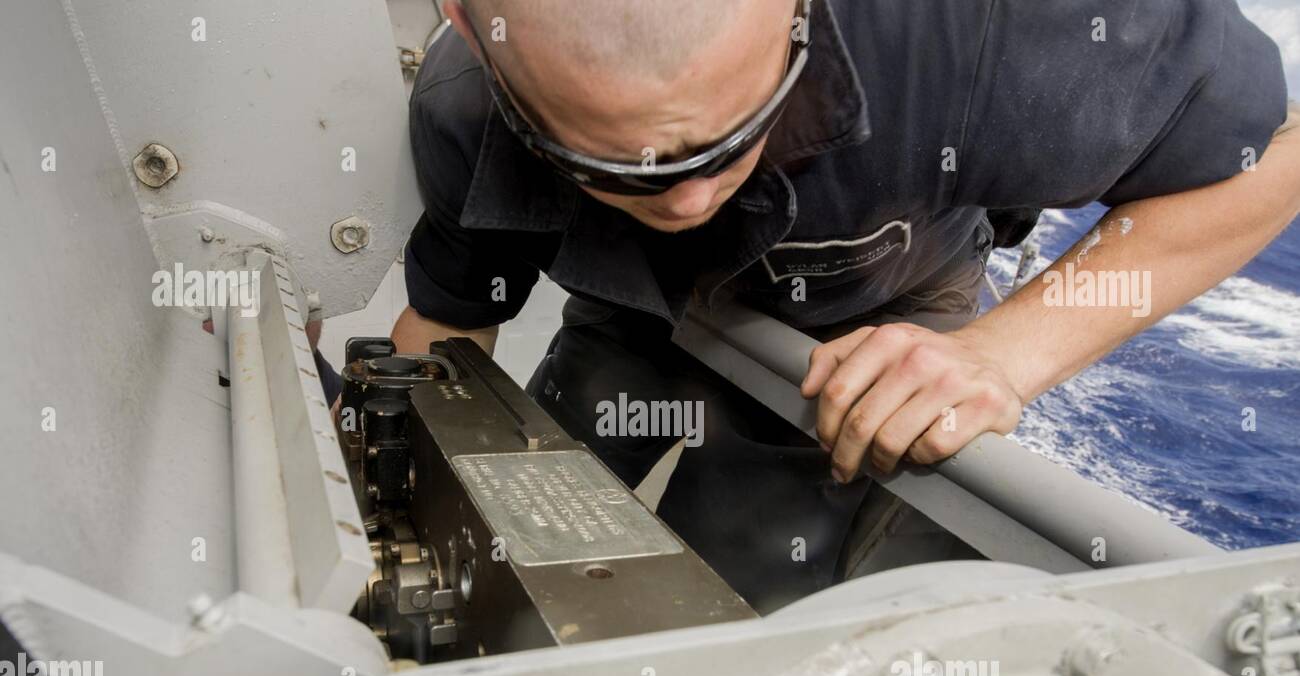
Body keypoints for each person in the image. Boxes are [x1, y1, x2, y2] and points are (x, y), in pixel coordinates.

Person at [392, 0, 1299, 611]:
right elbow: (450, 331)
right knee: (539, 472)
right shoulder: (464, 104)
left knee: (774, 574)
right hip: (626, 303)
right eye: (611, 166)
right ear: (473, 31)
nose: (688, 205)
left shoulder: (999, 28)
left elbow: (1274, 158)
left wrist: (1003, 355)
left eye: (730, 139)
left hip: (891, 293)